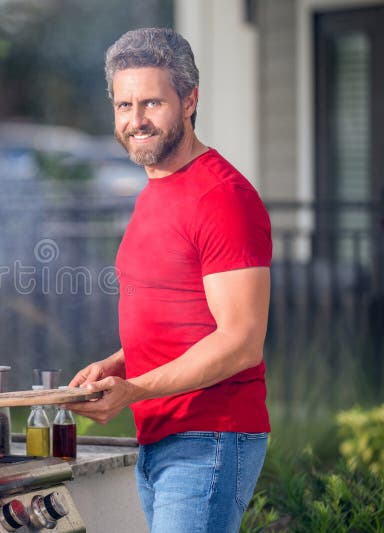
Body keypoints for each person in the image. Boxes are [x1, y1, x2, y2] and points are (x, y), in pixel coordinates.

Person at [67, 27, 271, 533]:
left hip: (210, 436)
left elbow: (241, 341)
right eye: (123, 105)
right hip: (162, 434)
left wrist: (133, 387)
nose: (136, 120)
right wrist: (117, 363)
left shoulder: (222, 197)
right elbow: (182, 318)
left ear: (189, 100)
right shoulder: (154, 191)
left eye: (152, 103)